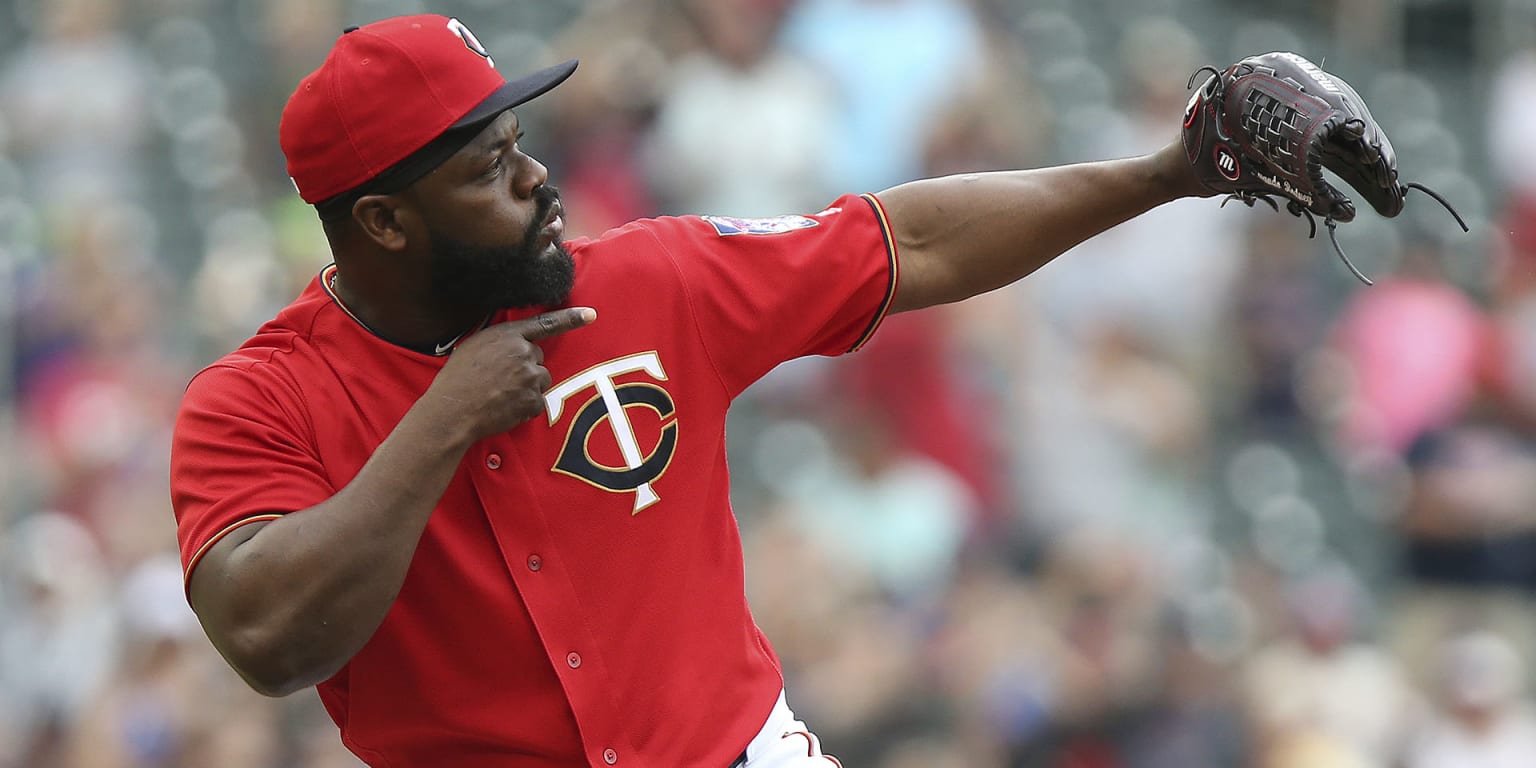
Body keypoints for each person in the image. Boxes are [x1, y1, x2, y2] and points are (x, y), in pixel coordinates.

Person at [169, 13, 1210, 768]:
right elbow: (265, 638)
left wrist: (1167, 174)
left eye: (520, 146)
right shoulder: (256, 402)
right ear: (385, 223)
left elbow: (913, 241)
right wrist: (444, 418)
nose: (536, 182)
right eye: (487, 169)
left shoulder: (644, 279)